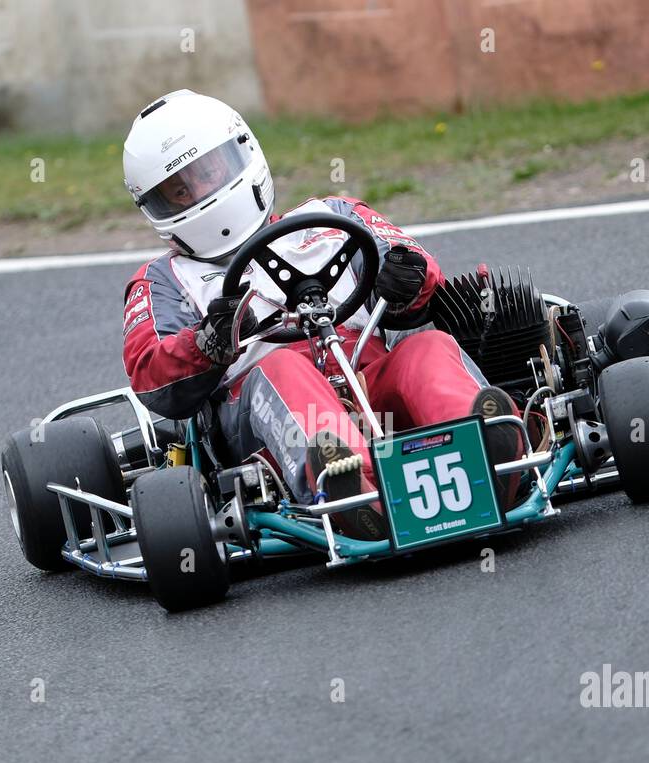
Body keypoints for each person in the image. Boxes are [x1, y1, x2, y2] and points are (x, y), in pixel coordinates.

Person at [121, 89, 521, 540]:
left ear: (242, 155)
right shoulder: (165, 279)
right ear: (158, 207)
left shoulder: (332, 216)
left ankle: (486, 448)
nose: (200, 191)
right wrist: (207, 343)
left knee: (426, 348)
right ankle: (353, 486)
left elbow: (415, 266)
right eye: (180, 190)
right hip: (260, 420)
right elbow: (149, 373)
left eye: (208, 172)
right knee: (282, 366)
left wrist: (406, 275)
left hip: (367, 379)